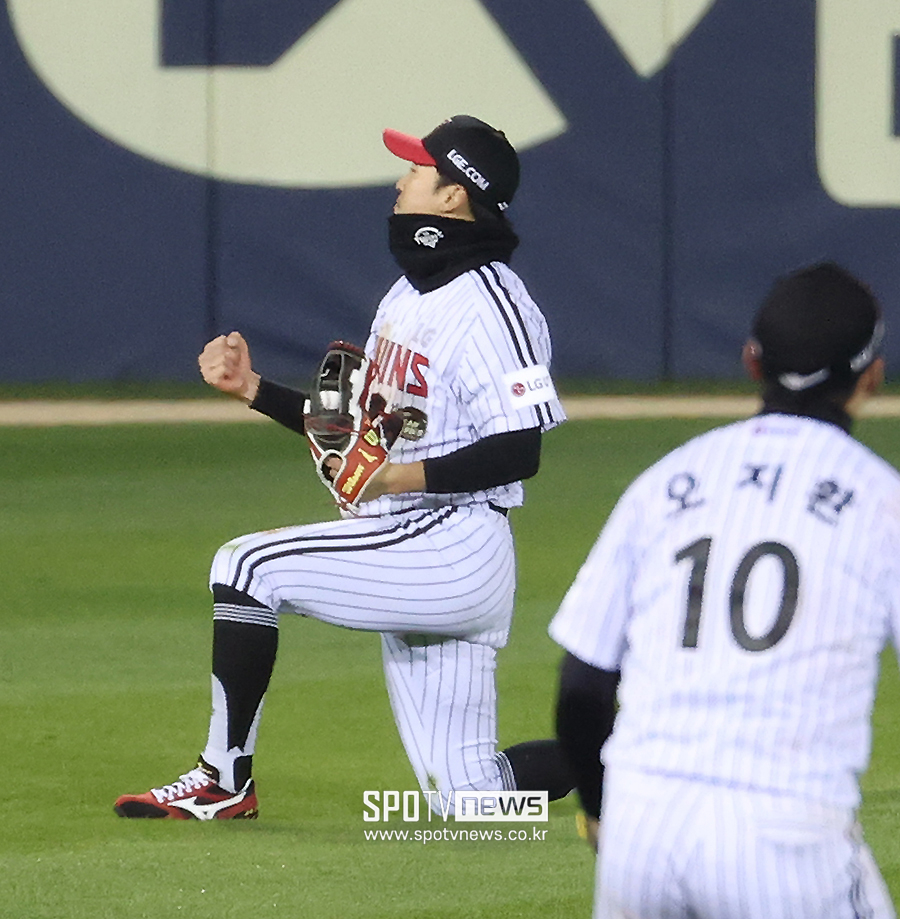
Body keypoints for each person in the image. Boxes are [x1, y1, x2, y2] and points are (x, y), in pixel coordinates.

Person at [115, 115, 572, 820]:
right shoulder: (406, 296)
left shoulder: (494, 304)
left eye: (416, 169)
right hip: (412, 544)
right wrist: (254, 390)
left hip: (450, 545)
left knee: (246, 566)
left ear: (453, 196)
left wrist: (395, 479)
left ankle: (222, 780)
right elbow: (352, 434)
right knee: (473, 799)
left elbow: (521, 448)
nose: (399, 178)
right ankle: (626, 755)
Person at [549, 263, 897, 917]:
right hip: (784, 834)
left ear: (750, 360)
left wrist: (603, 814)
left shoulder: (665, 482)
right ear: (872, 376)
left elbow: (581, 689)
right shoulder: (882, 503)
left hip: (642, 824)